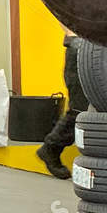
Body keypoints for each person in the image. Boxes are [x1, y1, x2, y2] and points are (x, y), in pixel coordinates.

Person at [37, 34, 86, 179]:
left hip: (98, 51)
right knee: (79, 109)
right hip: (79, 50)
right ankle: (51, 147)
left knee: (96, 109)